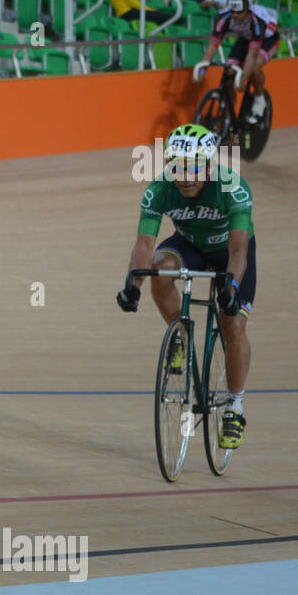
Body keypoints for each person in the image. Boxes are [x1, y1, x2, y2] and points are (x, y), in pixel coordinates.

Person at [117, 123, 255, 450]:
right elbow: (143, 244)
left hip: (227, 253)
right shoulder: (160, 189)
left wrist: (231, 288)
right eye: (178, 167)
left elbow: (239, 252)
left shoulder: (232, 187)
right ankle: (180, 332)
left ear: (210, 165)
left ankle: (235, 406)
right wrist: (133, 284)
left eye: (194, 167)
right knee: (158, 269)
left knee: (232, 324)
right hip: (189, 244)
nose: (187, 176)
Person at [192, 0, 277, 122]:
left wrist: (243, 77)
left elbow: (252, 55)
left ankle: (260, 99)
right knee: (229, 73)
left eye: (239, 12)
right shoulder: (224, 19)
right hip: (245, 38)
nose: (235, 15)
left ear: (248, 9)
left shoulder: (257, 22)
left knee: (253, 67)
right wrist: (202, 71)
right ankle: (228, 121)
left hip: (267, 39)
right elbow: (212, 48)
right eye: (232, 11)